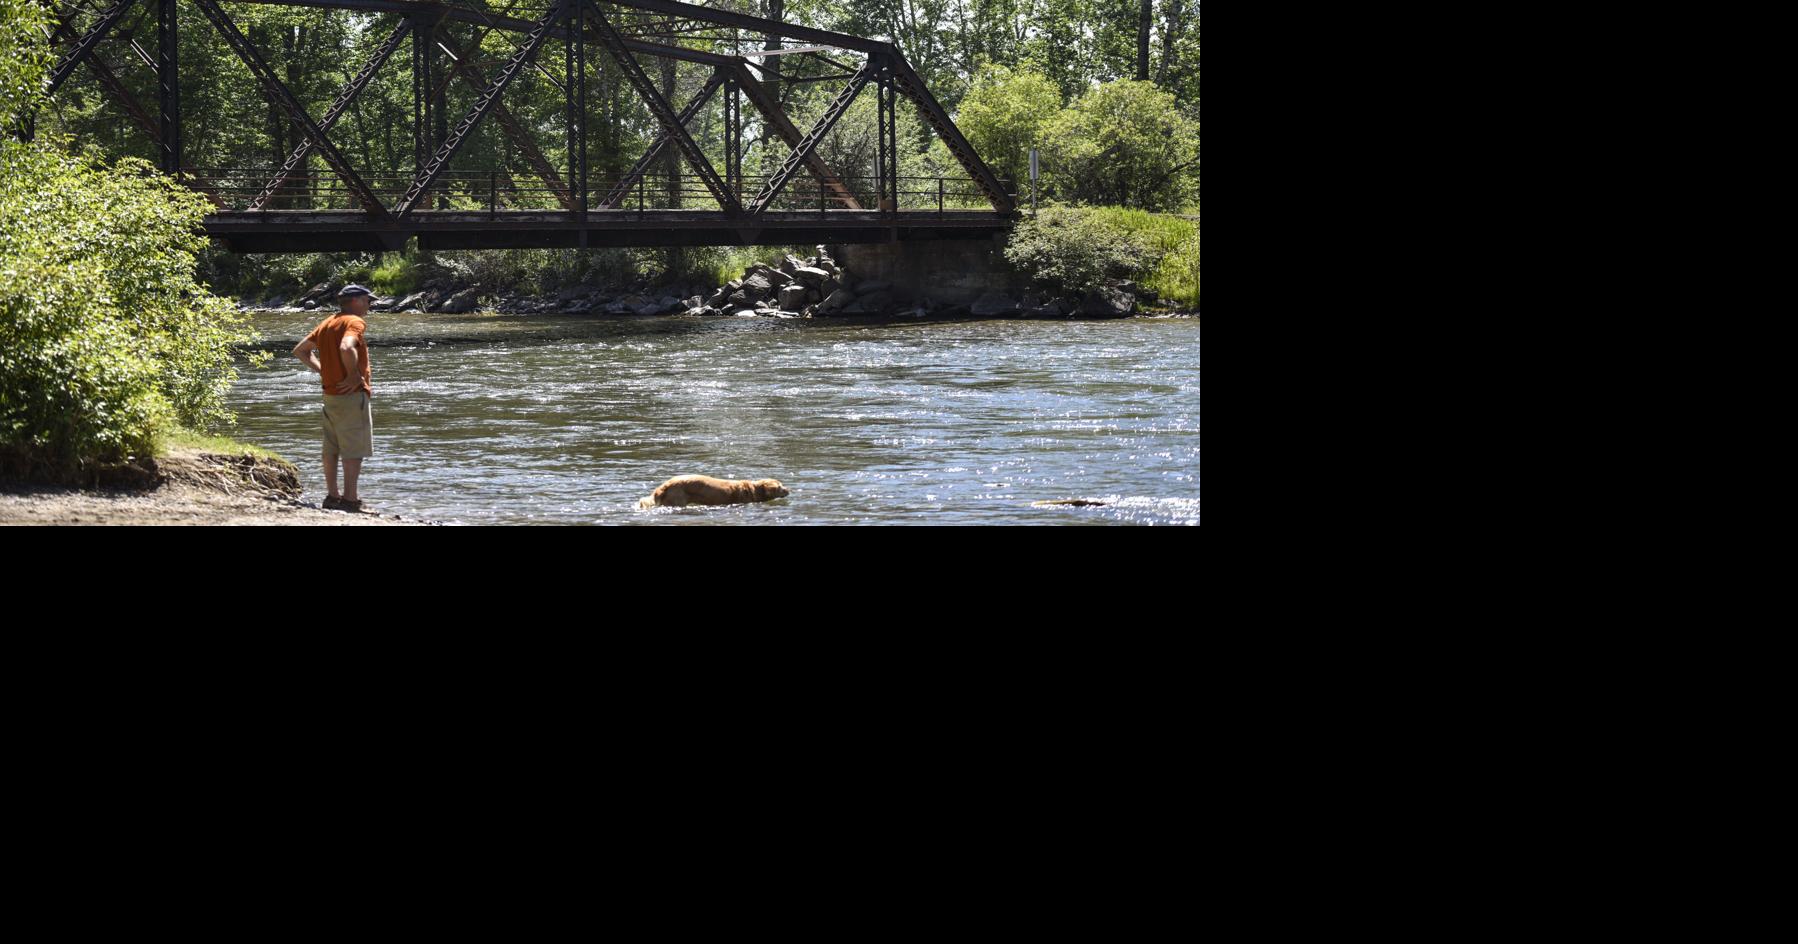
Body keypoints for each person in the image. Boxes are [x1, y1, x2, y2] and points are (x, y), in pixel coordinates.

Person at [292, 285, 375, 512]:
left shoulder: (328, 322)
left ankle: (332, 496)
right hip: (351, 396)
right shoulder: (354, 322)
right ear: (356, 301)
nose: (370, 304)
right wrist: (353, 375)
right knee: (353, 450)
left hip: (330, 395)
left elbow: (300, 350)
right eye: (368, 300)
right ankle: (350, 500)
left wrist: (323, 370)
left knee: (331, 448)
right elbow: (346, 347)